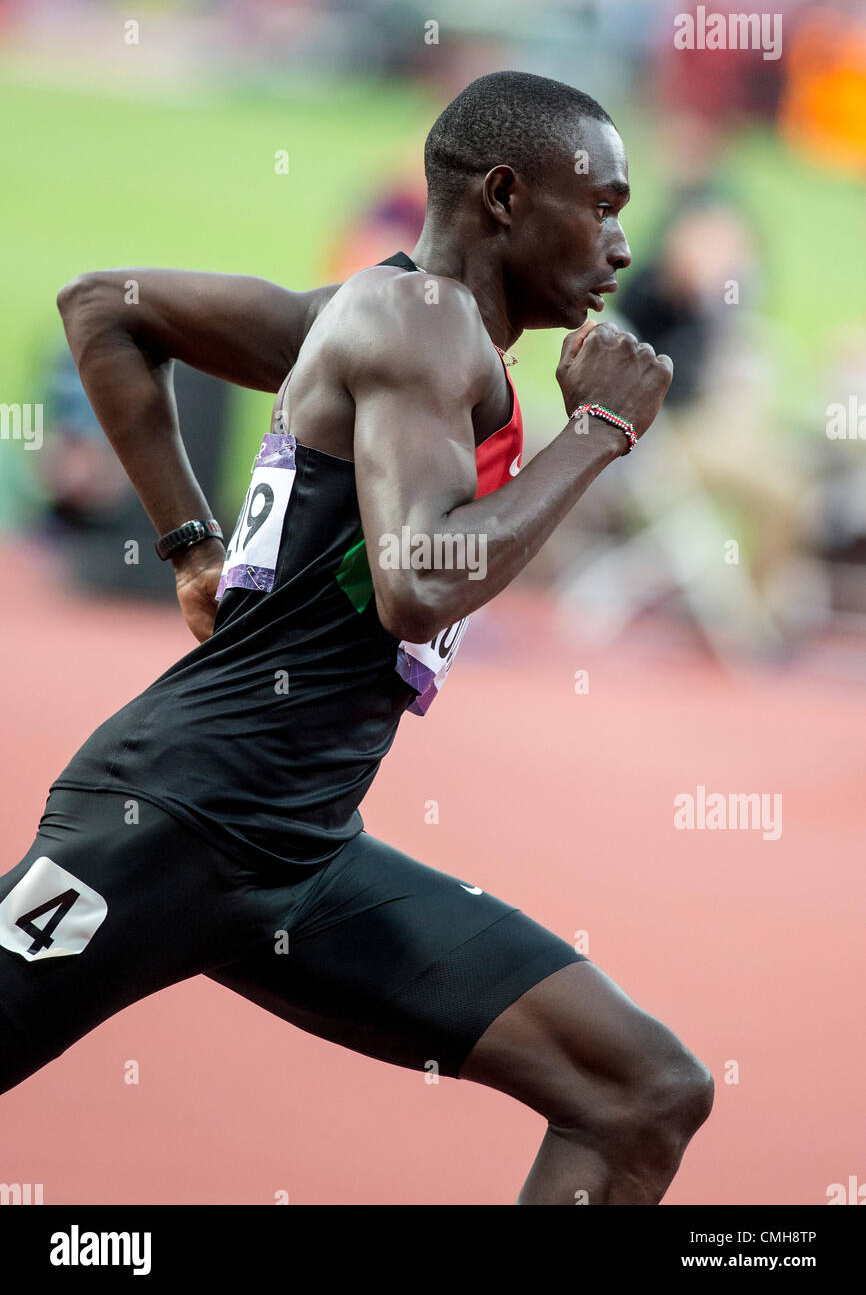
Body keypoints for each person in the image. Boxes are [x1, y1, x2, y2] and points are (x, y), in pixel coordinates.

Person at [0, 72, 712, 1204]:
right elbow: (417, 587)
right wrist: (599, 430)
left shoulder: (369, 315)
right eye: (604, 205)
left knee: (641, 1090)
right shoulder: (412, 321)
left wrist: (194, 547)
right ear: (503, 194)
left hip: (298, 846)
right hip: (179, 816)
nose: (623, 244)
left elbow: (106, 307)